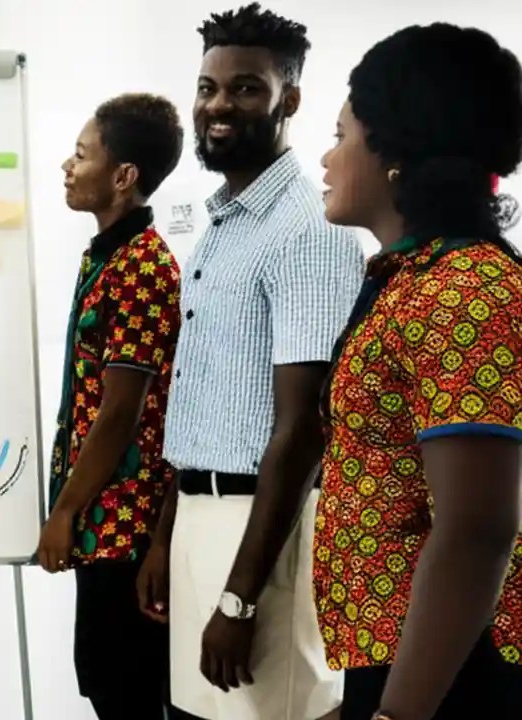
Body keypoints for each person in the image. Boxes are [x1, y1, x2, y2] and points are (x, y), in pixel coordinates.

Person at [139, 4, 364, 719]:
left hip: (268, 529)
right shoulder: (221, 224)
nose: (218, 106)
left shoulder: (309, 228)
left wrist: (239, 596)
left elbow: (304, 429)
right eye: (208, 87)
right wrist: (167, 534)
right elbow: (202, 398)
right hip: (203, 518)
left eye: (245, 88)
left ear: (288, 100)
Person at [316, 23, 522, 720]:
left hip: (456, 669)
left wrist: (397, 713)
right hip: (408, 655)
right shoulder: (415, 279)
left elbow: (476, 527)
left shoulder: (462, 289)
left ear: (394, 154)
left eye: (341, 135)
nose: (326, 157)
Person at [36, 93, 185, 718]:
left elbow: (121, 411)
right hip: (101, 518)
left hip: (124, 525)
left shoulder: (143, 267)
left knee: (125, 689)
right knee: (102, 680)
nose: (67, 168)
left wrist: (64, 510)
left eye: (80, 155)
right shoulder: (104, 257)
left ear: (123, 177)